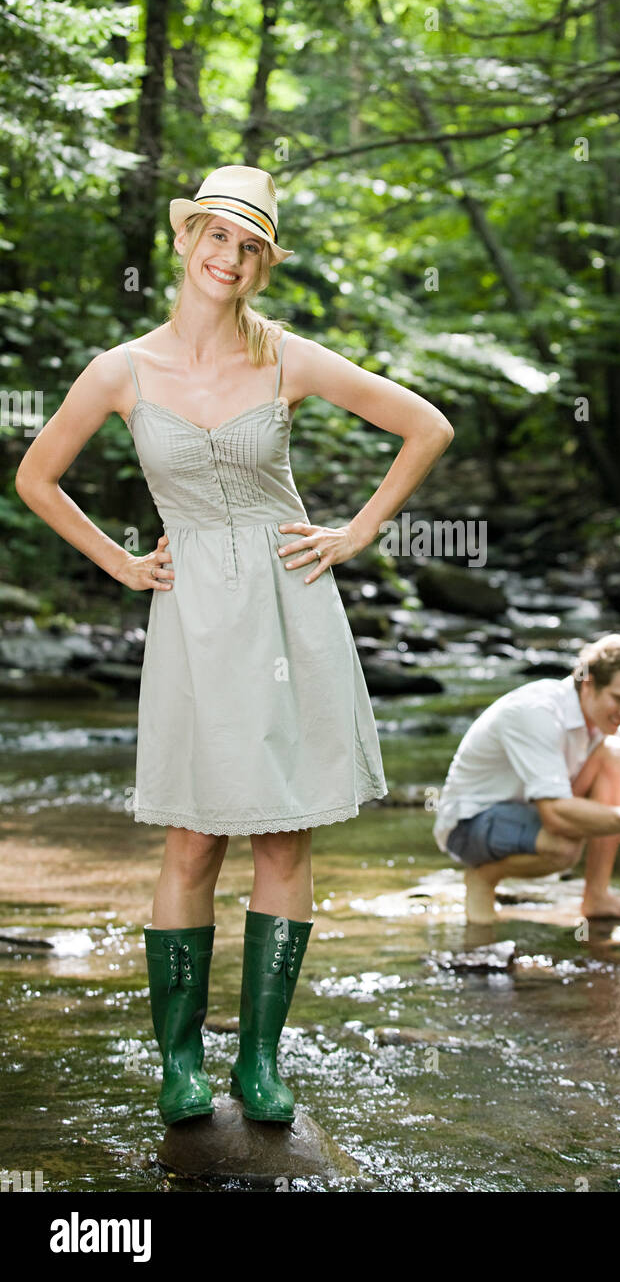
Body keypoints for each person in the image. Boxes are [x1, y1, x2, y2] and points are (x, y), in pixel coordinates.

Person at [15, 164, 454, 1126]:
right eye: (218, 236)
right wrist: (123, 564)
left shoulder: (286, 358)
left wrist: (356, 532)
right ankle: (180, 1066)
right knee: (191, 836)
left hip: (291, 605)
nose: (230, 257)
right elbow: (37, 479)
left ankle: (259, 1063)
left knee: (284, 834)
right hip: (191, 618)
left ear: (262, 267)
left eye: (250, 247)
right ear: (186, 242)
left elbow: (426, 425)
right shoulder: (121, 371)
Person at [432, 633, 620, 924]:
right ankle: (483, 877)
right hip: (469, 824)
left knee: (616, 754)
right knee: (562, 845)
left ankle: (597, 896)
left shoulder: (607, 726)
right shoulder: (537, 712)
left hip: (527, 813)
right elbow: (557, 817)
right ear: (589, 683)